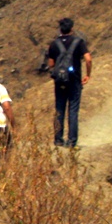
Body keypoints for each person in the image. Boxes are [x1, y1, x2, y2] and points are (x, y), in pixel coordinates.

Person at [46, 17, 91, 148]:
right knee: (73, 110)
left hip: (60, 81)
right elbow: (88, 59)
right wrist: (88, 75)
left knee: (59, 109)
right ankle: (71, 141)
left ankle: (58, 139)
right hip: (75, 80)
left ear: (60, 29)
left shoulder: (54, 44)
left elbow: (51, 64)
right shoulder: (78, 42)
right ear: (72, 28)